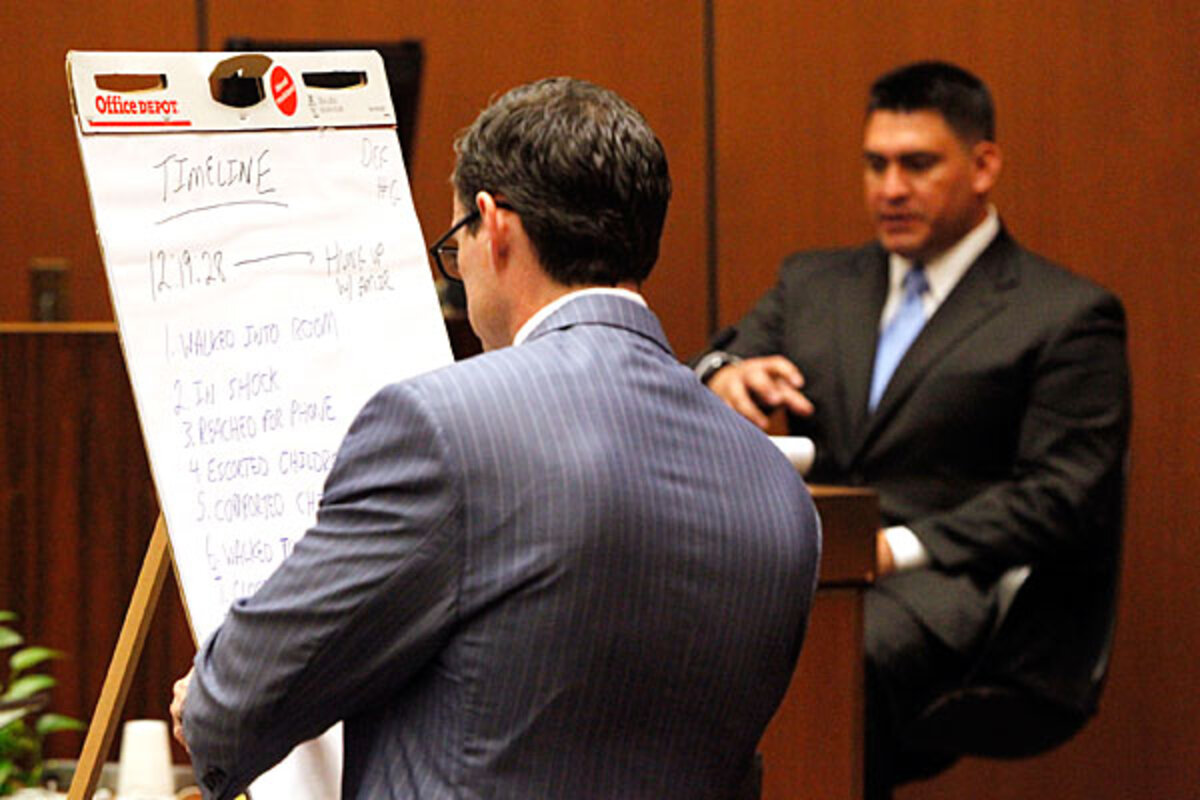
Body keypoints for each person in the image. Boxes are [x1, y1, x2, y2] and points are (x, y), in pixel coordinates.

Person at [170, 77, 821, 800]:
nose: (461, 274)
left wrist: (207, 700)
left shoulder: (441, 428)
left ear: (494, 224)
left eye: (455, 249)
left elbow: (238, 703)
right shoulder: (777, 490)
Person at [697, 61, 1130, 795]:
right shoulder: (814, 285)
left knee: (822, 663)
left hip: (953, 581)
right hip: (808, 565)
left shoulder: (1065, 315)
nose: (890, 188)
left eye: (917, 165)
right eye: (876, 164)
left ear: (983, 165)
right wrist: (722, 376)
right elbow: (726, 357)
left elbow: (1064, 496)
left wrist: (892, 548)